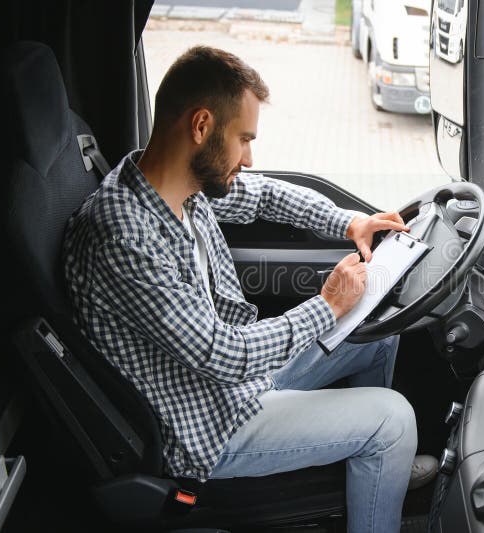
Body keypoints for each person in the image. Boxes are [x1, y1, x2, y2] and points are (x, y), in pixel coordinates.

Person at [63, 45, 436, 532]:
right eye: (243, 139)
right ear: (201, 127)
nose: (250, 156)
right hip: (208, 425)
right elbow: (223, 354)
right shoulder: (123, 236)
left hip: (236, 384)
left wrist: (351, 222)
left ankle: (372, 464)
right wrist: (326, 306)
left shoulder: (179, 186)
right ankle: (381, 449)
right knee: (393, 418)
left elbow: (266, 194)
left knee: (376, 331)